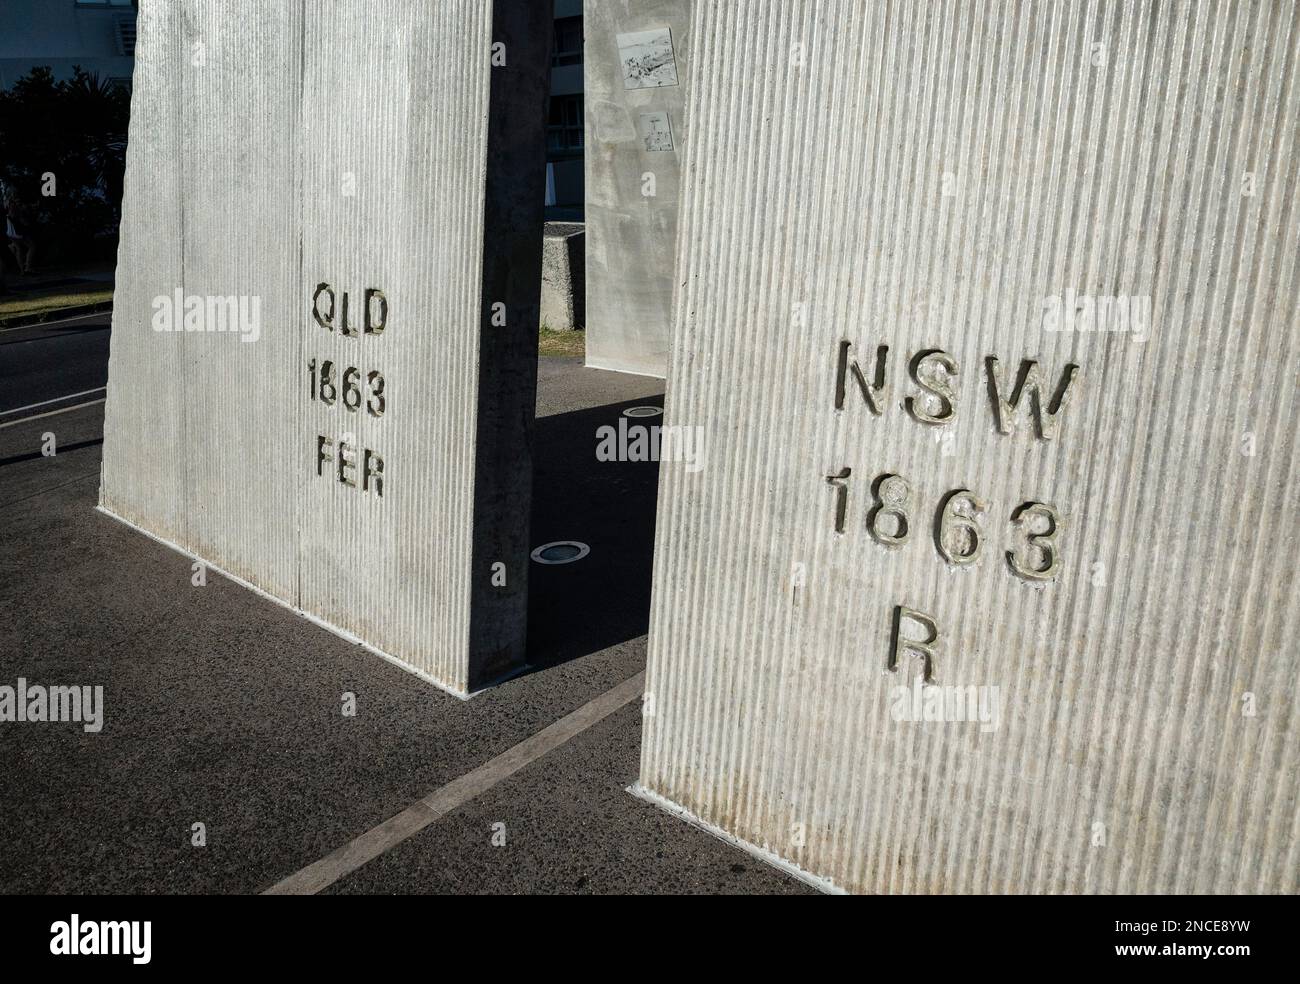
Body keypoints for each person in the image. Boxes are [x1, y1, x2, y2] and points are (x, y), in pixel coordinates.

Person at [6, 194, 35, 275]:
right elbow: (22, 222)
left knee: (18, 249)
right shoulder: (15, 207)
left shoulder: (9, 205)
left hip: (11, 232)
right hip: (18, 232)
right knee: (32, 247)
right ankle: (27, 267)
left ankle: (22, 270)